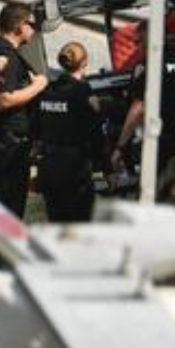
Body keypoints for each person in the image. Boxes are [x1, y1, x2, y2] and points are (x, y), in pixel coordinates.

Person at [0, 2, 47, 274]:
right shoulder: (4, 57)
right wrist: (37, 86)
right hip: (7, 144)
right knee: (7, 207)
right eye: (32, 25)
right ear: (19, 26)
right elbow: (3, 100)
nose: (34, 31)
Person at [110, 13, 175, 199]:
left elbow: (139, 107)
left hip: (162, 145)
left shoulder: (151, 67)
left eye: (139, 41)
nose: (137, 46)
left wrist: (120, 147)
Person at [36, 42, 103, 223]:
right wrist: (106, 165)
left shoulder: (48, 90)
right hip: (74, 169)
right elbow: (95, 131)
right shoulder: (83, 91)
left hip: (49, 166)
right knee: (80, 223)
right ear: (85, 63)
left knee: (57, 223)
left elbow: (37, 126)